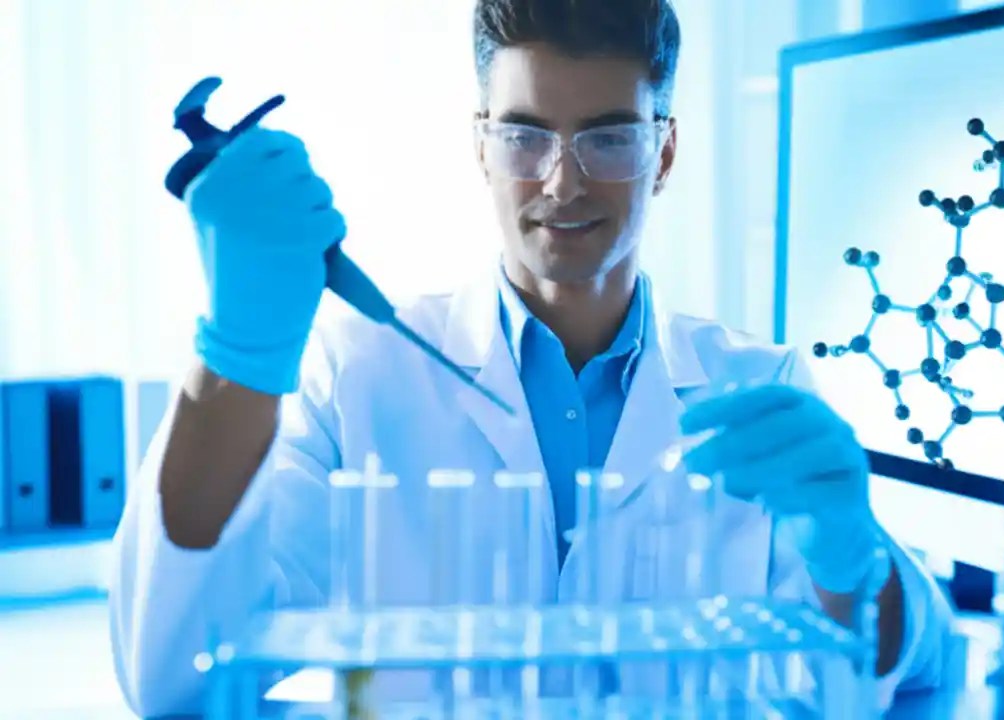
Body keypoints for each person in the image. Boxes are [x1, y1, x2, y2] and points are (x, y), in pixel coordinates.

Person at [109, 0, 956, 715]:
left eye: (609, 139)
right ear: (480, 146)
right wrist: (238, 355)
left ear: (664, 152)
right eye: (524, 135)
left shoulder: (756, 385)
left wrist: (852, 559)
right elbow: (174, 679)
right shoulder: (355, 373)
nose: (562, 183)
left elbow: (903, 677)